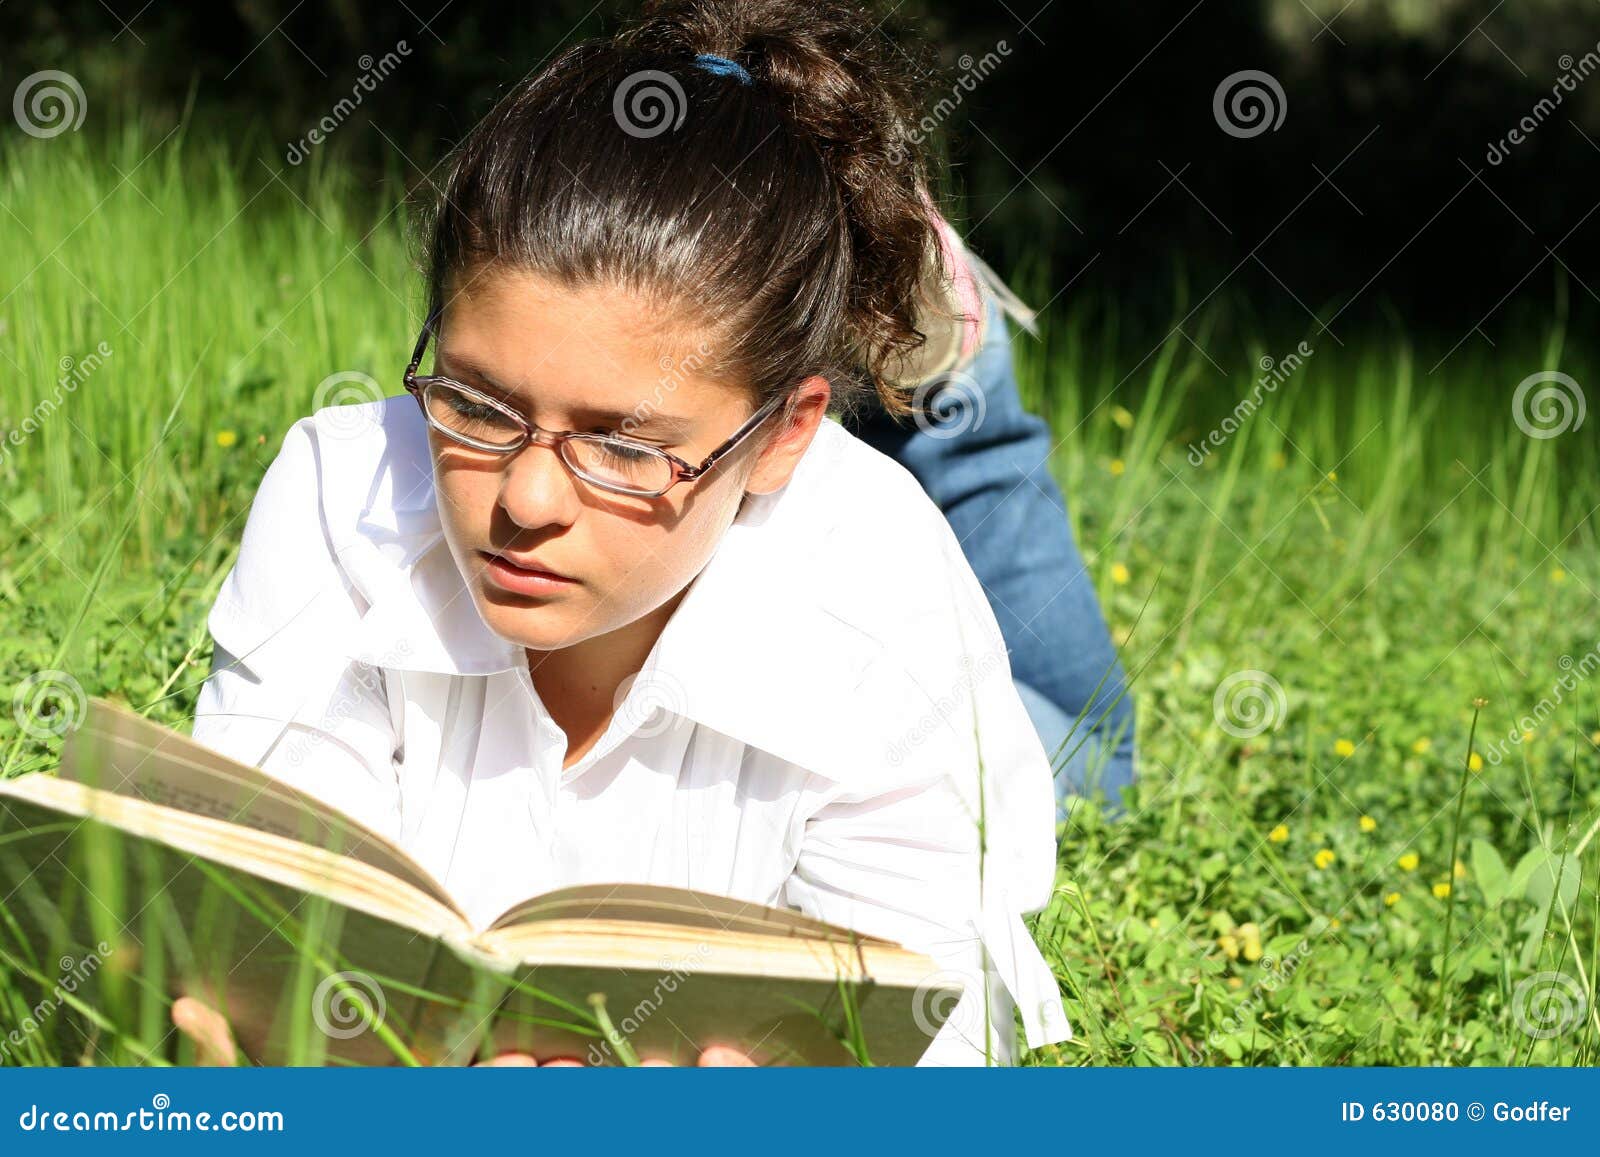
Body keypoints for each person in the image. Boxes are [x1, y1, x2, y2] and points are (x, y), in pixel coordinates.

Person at [182, 0, 1075, 1066]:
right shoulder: (346, 493)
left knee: (1080, 738)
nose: (524, 501)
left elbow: (936, 1015)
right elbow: (268, 901)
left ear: (786, 434)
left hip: (905, 623)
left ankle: (941, 329)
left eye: (622, 444)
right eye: (476, 403)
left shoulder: (883, 593)